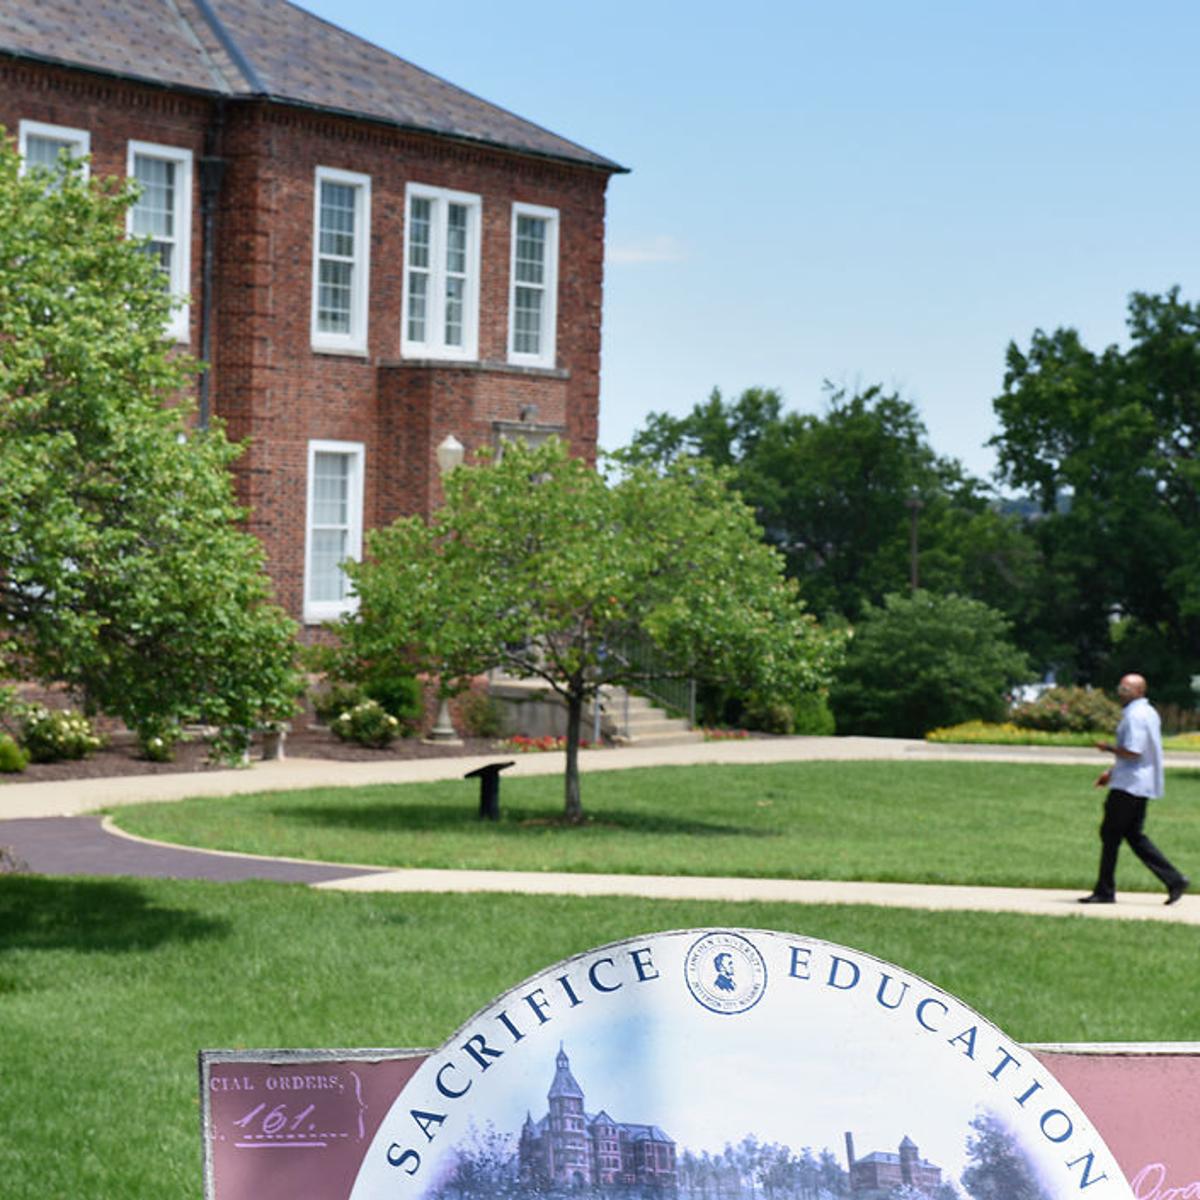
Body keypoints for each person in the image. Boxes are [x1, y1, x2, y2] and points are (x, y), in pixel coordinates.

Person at [1079, 673, 1189, 906]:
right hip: (1138, 783)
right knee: (1132, 835)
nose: (1121, 693)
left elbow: (1133, 751)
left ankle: (1105, 891)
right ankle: (1174, 879)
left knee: (1111, 834)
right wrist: (1111, 772)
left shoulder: (1135, 716)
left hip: (1129, 786)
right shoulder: (1148, 712)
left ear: (1139, 691)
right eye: (1120, 688)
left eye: (1126, 689)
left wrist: (1107, 748)